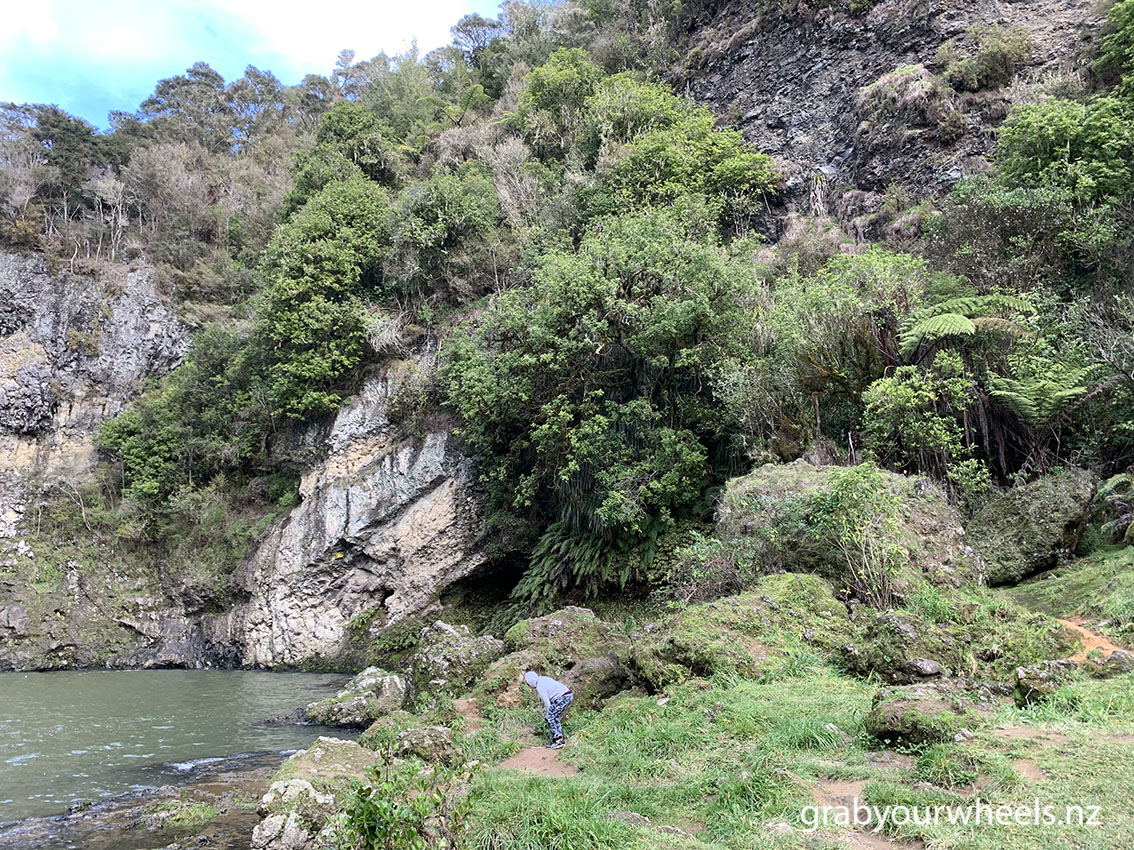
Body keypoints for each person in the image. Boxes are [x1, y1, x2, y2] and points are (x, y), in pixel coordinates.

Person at [523, 670, 573, 749]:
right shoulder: (543, 679)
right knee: (554, 716)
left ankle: (557, 741)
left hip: (562, 697)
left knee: (549, 717)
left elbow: (547, 703)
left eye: (527, 683)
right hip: (567, 695)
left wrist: (548, 713)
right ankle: (559, 739)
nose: (527, 685)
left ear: (530, 681)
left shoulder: (540, 686)